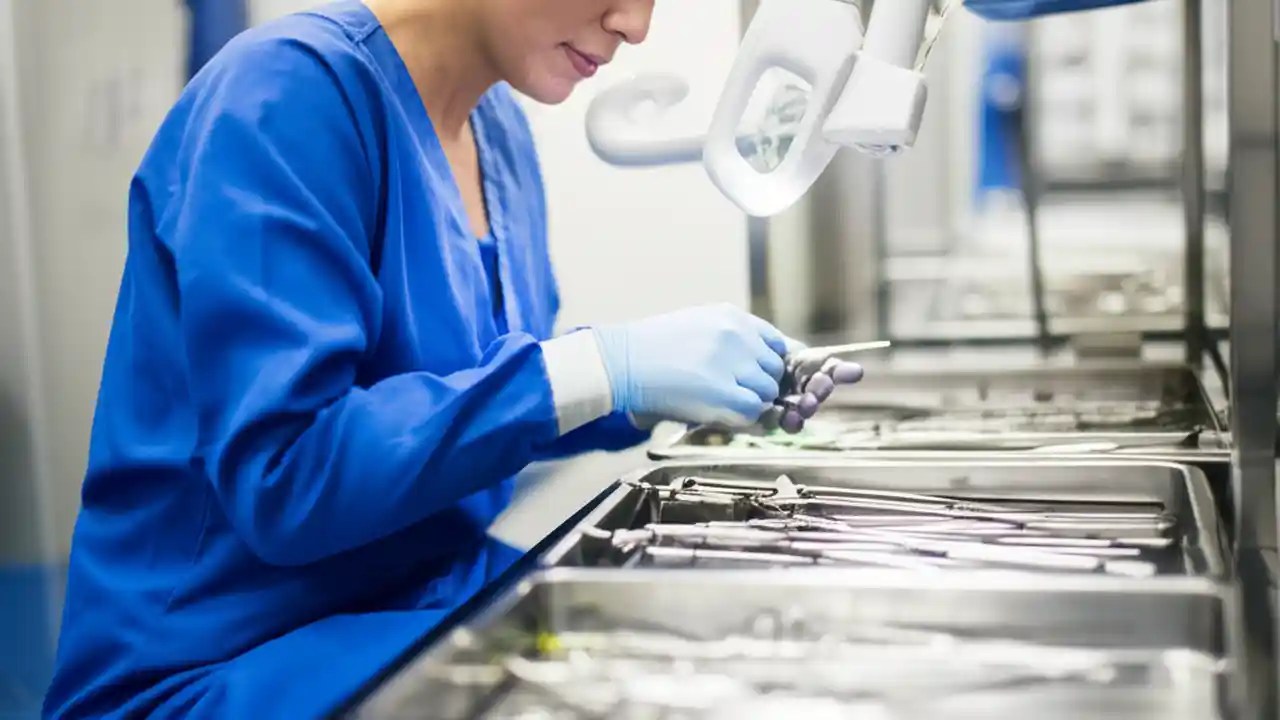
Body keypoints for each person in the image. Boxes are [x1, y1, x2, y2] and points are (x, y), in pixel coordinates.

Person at [43, 1, 863, 717]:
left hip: (420, 608)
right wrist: (602, 368)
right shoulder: (284, 96)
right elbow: (286, 476)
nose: (636, 24)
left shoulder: (495, 129)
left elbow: (461, 402)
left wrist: (644, 392)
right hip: (224, 667)